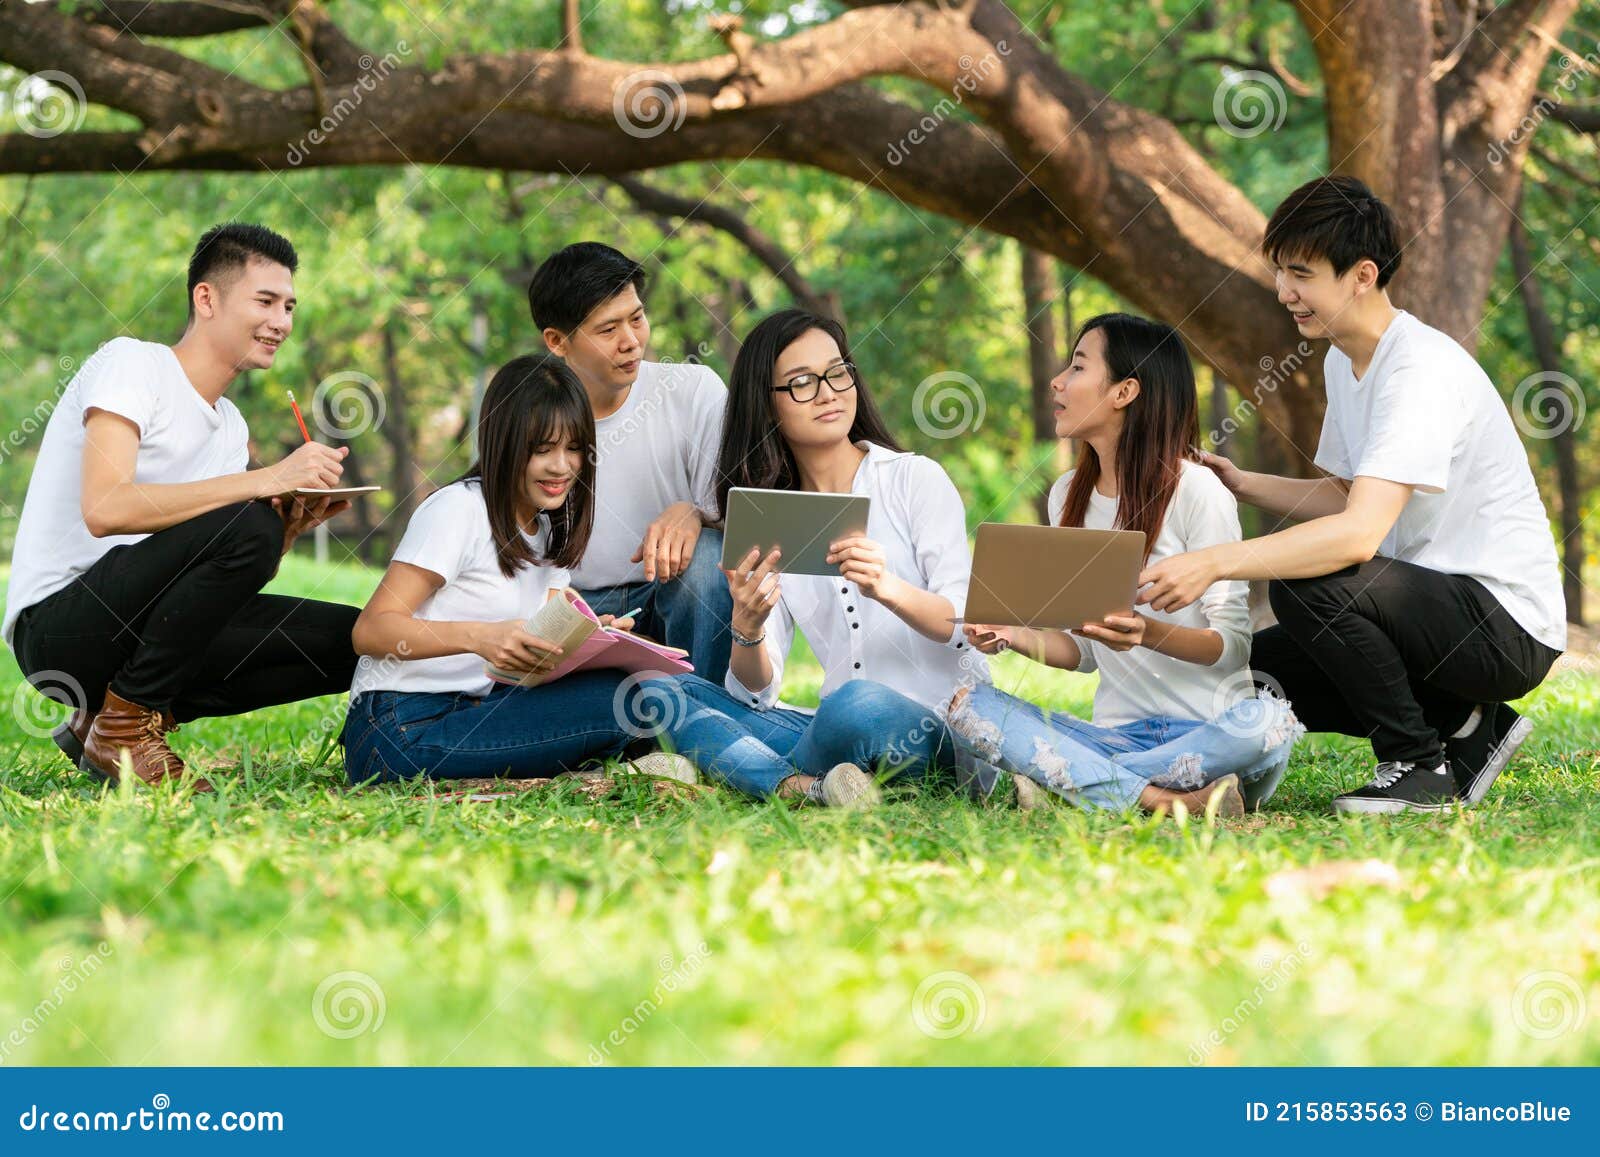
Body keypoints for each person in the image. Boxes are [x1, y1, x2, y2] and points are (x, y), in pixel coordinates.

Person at [1138, 176, 1566, 814]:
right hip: (1434, 612)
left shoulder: (1417, 369)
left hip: (1503, 623)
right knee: (1254, 672)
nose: (1285, 292)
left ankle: (1419, 769)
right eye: (1281, 272)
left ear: (1362, 275)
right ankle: (1468, 726)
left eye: (1302, 274)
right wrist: (1242, 481)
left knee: (1307, 583)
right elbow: (1345, 496)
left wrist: (1214, 562)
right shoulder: (1345, 359)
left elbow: (1358, 536)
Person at [4, 223, 359, 792]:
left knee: (358, 640)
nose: (282, 322)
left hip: (143, 629)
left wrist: (287, 526)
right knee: (251, 522)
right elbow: (107, 507)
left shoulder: (231, 428)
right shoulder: (134, 364)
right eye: (265, 301)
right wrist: (263, 483)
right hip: (62, 632)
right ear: (207, 298)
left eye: (290, 306)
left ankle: (106, 720)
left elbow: (210, 577)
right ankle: (123, 724)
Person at [953, 314, 1301, 816]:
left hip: (1211, 737)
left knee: (1269, 721)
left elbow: (1232, 650)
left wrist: (1145, 632)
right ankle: (1161, 799)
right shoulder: (1064, 497)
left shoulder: (1196, 489)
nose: (1057, 381)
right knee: (971, 708)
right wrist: (1015, 633)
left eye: (1076, 366)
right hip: (1117, 736)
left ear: (1124, 391)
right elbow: (1086, 652)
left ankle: (1076, 780)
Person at [653, 308, 990, 808]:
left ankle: (754, 769)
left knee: (854, 704)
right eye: (802, 383)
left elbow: (971, 621)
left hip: (935, 730)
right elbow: (756, 696)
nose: (829, 391)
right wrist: (748, 627)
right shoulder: (771, 520)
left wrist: (888, 588)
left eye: (837, 372)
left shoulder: (913, 479)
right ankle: (813, 787)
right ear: (767, 407)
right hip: (831, 731)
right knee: (663, 694)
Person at [342, 353, 694, 786]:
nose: (561, 467)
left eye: (573, 449)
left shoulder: (543, 530)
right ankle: (604, 771)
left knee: (629, 689)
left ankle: (604, 769)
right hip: (398, 727)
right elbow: (370, 631)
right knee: (613, 706)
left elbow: (537, 656)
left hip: (481, 708)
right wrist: (479, 637)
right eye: (542, 450)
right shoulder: (459, 510)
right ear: (505, 443)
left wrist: (591, 636)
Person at [528, 242, 733, 682]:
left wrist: (696, 513)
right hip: (575, 610)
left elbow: (747, 522)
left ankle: (707, 715)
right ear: (557, 342)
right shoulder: (528, 418)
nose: (631, 341)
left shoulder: (693, 390)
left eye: (637, 318)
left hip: (668, 602)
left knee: (708, 559)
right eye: (608, 330)